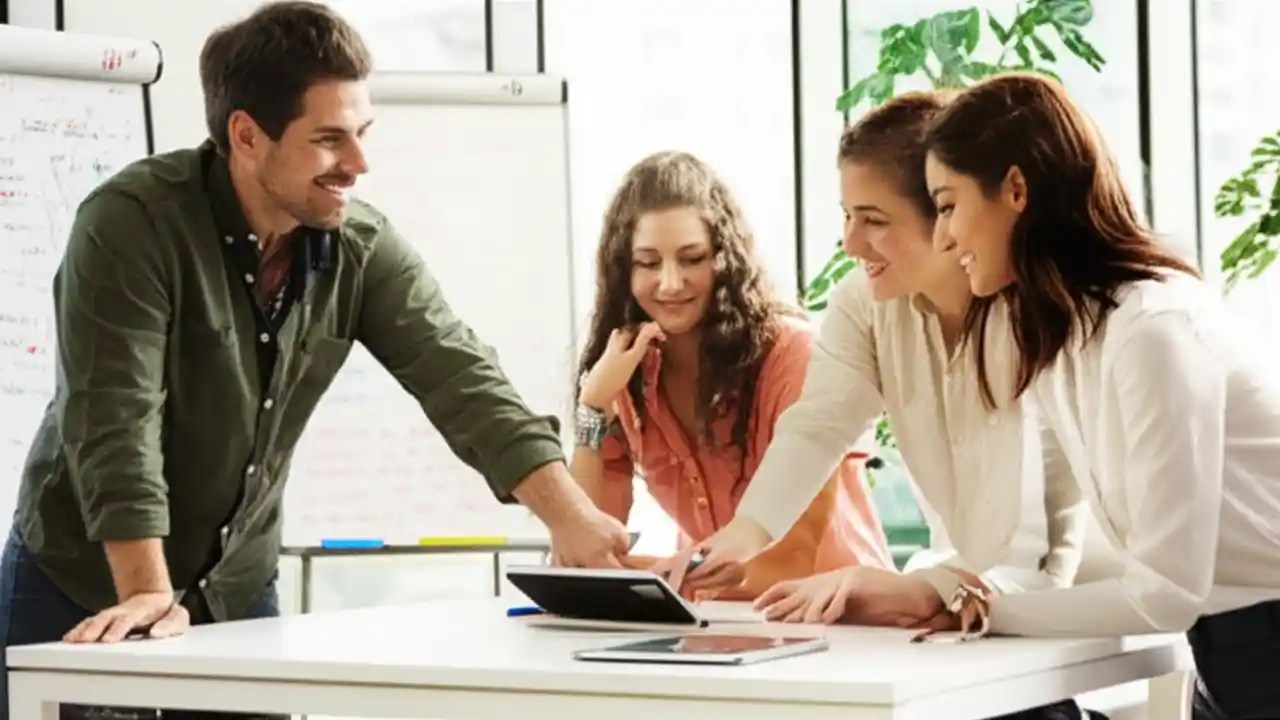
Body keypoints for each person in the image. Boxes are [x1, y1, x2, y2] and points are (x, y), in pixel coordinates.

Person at [0, 2, 629, 718]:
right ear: (246, 135)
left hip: (235, 589)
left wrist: (571, 518)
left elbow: (460, 375)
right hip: (81, 582)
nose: (359, 164)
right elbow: (116, 421)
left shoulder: (357, 245)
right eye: (330, 139)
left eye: (362, 133)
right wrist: (146, 590)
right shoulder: (131, 226)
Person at [654, 93, 1101, 719]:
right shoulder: (865, 304)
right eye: (846, 215)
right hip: (962, 615)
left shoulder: (1029, 314)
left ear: (946, 214)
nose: (850, 241)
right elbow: (818, 425)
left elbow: (1023, 554)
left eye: (873, 218)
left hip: (1049, 609)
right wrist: (743, 536)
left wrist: (916, 592)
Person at [920, 73, 1280, 719]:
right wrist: (949, 596)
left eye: (947, 205)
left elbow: (1164, 594)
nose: (942, 237)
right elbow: (1043, 549)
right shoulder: (1067, 342)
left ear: (1016, 190)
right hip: (1229, 661)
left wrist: (986, 614)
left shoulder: (1153, 330)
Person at [570, 151, 894, 598]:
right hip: (722, 629)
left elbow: (788, 564)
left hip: (847, 626)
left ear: (723, 258)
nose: (669, 283)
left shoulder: (793, 356)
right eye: (647, 263)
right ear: (622, 269)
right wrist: (593, 406)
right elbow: (583, 551)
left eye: (692, 259)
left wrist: (655, 578)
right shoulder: (624, 373)